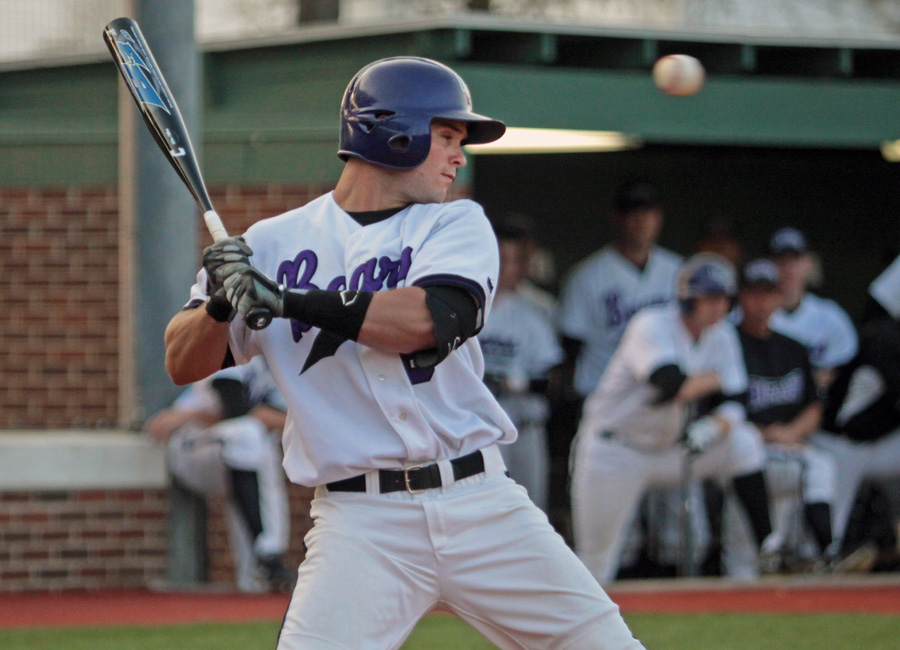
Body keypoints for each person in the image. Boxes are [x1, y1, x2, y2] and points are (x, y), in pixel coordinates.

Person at [164, 57, 644, 650]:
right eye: (447, 136)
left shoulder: (458, 225)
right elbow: (184, 362)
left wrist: (285, 299)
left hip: (481, 505)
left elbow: (427, 321)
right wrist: (219, 303)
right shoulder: (270, 242)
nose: (459, 156)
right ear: (392, 132)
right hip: (361, 524)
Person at [570, 253, 778, 583]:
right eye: (709, 298)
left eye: (724, 298)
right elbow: (671, 385)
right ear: (687, 299)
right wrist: (713, 379)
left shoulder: (722, 334)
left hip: (669, 449)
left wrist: (713, 426)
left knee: (744, 441)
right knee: (596, 562)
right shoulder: (650, 324)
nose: (719, 306)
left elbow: (738, 400)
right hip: (615, 450)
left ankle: (767, 544)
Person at [553, 179, 683, 540]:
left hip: (664, 403)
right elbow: (570, 350)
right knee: (615, 524)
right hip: (609, 405)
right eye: (631, 212)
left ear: (659, 217)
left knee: (675, 519)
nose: (640, 221)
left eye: (647, 212)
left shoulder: (678, 273)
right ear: (616, 218)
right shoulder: (589, 276)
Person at [721, 258, 837, 576]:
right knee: (744, 554)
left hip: (786, 450)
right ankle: (826, 551)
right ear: (741, 297)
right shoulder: (725, 344)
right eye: (754, 293)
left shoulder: (793, 348)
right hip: (742, 455)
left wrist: (790, 433)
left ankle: (825, 552)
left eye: (769, 293)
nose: (762, 301)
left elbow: (814, 406)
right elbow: (719, 409)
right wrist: (764, 433)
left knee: (817, 466)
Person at [143, 356, 294, 592]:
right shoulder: (232, 347)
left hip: (235, 453)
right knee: (248, 434)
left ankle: (262, 570)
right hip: (192, 448)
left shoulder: (280, 362)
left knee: (261, 449)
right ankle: (268, 555)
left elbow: (278, 418)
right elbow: (236, 409)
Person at [814, 255, 900, 568]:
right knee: (828, 542)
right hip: (843, 444)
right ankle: (830, 558)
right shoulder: (887, 338)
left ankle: (886, 539)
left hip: (880, 445)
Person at [478, 220, 563, 512]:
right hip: (479, 434)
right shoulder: (466, 309)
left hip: (524, 429)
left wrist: (509, 383)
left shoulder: (532, 315)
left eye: (511, 260)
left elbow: (552, 381)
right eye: (498, 258)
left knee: (531, 512)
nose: (504, 268)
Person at [767, 227, 858, 391]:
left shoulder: (830, 315)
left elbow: (842, 367)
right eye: (780, 261)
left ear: (808, 263)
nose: (787, 268)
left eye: (794, 260)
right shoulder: (751, 316)